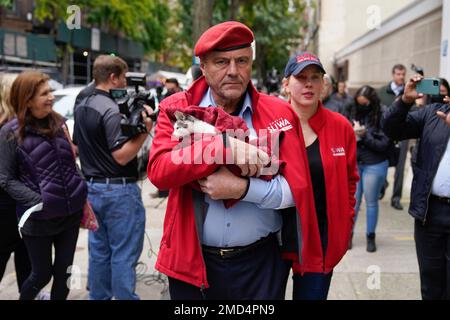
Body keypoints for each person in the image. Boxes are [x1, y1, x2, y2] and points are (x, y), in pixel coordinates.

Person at [148, 21, 309, 300]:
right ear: (203, 65)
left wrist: (242, 189)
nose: (233, 71)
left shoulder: (279, 114)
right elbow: (160, 171)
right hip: (193, 264)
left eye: (242, 61)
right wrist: (223, 146)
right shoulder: (177, 109)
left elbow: (298, 191)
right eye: (222, 62)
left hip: (262, 265)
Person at [0, 71, 87, 300]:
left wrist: (80, 187)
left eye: (50, 91)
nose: (51, 97)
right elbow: (5, 179)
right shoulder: (9, 132)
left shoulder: (60, 123)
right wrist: (38, 201)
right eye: (44, 93)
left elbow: (70, 162)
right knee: (41, 275)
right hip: (38, 220)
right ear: (27, 99)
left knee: (65, 273)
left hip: (70, 215)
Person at [73, 55, 153, 300]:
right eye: (123, 78)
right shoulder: (110, 109)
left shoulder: (82, 104)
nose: (125, 84)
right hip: (118, 192)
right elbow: (121, 156)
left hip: (93, 187)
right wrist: (145, 131)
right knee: (123, 254)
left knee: (99, 252)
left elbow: (76, 146)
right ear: (113, 77)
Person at [281, 52, 359, 300]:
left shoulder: (341, 127)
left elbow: (350, 180)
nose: (308, 84)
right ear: (286, 85)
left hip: (320, 242)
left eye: (315, 77)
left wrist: (345, 224)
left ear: (324, 84)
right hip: (274, 241)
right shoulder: (271, 124)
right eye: (301, 77)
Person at [383, 74, 450, 299]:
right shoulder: (434, 113)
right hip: (430, 212)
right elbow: (392, 129)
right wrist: (404, 102)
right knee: (430, 282)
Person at [348, 86, 391, 252]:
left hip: (375, 162)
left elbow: (383, 144)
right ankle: (349, 235)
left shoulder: (382, 114)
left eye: (365, 103)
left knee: (371, 202)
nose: (362, 106)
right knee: (354, 202)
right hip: (356, 163)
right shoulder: (352, 111)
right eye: (359, 103)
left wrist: (365, 135)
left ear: (371, 102)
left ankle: (370, 236)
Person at [0, 73, 32, 294]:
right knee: (27, 267)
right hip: (14, 207)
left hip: (18, 207)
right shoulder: (13, 129)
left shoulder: (23, 126)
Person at [378, 64, 408, 210]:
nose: (401, 77)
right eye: (398, 74)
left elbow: (415, 110)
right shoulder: (382, 92)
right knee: (382, 162)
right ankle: (382, 185)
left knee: (400, 168)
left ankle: (396, 198)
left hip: (404, 134)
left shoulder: (410, 91)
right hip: (386, 133)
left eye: (403, 74)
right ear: (393, 74)